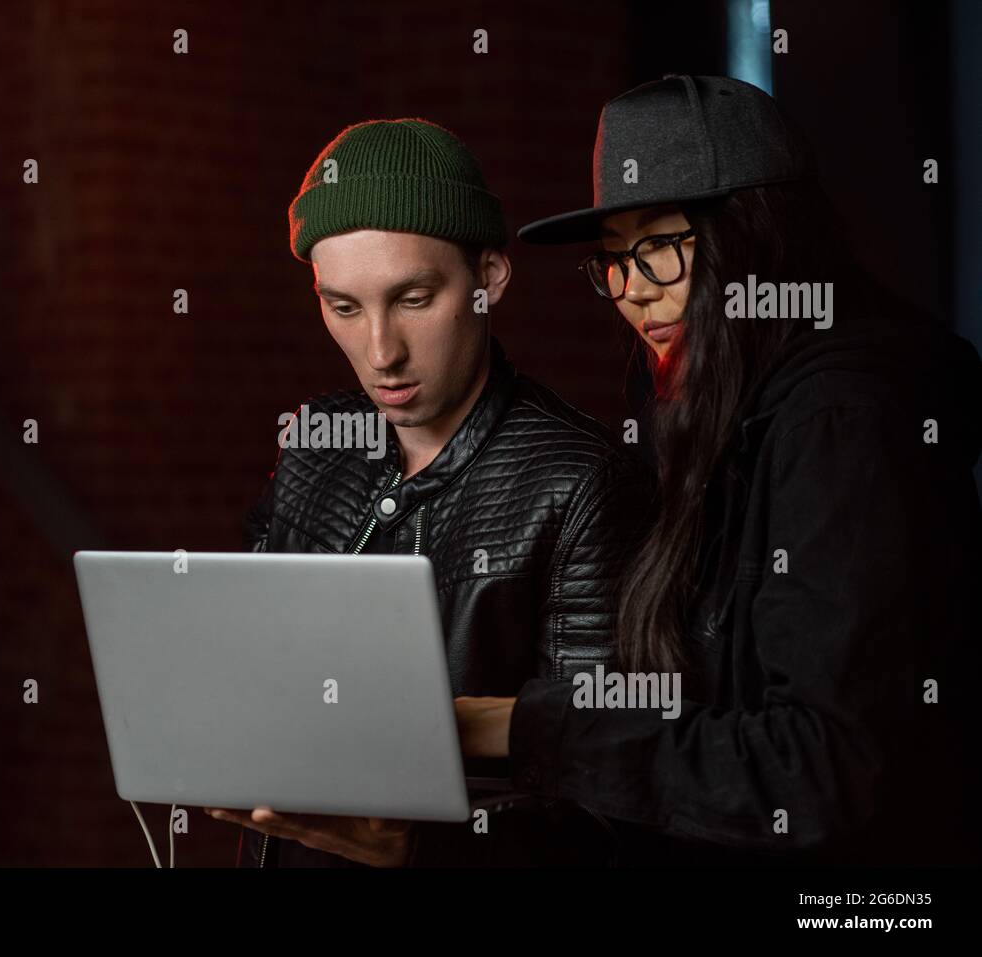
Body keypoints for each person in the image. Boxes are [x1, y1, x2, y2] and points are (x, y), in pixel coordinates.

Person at [455, 75, 982, 864]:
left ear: (760, 239)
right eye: (612, 262)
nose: (633, 294)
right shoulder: (720, 417)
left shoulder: (843, 426)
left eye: (659, 247)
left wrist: (514, 723)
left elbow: (820, 775)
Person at [208, 117, 654, 866]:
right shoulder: (316, 438)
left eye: (413, 299)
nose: (380, 351)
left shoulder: (582, 481)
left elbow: (612, 801)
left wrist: (422, 843)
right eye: (343, 307)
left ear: (490, 279)